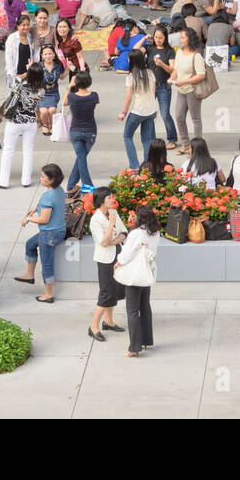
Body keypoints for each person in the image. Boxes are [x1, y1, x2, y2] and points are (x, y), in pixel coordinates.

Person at [16, 164, 67, 303]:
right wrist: (36, 208)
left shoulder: (47, 197)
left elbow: (44, 219)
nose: (40, 179)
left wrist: (28, 219)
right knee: (30, 245)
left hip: (49, 235)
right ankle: (29, 275)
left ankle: (48, 295)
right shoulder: (59, 190)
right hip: (59, 230)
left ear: (51, 180)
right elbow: (51, 206)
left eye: (43, 177)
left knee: (47, 265)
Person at [116, 205, 161, 357]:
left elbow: (126, 254)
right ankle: (146, 341)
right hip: (147, 272)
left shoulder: (136, 234)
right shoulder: (155, 233)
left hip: (135, 274)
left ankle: (134, 347)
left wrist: (118, 263)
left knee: (132, 310)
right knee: (145, 307)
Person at [0, 62, 46, 189]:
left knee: (8, 150)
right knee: (28, 150)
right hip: (31, 122)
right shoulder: (41, 90)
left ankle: (3, 180)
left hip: (15, 121)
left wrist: (25, 73)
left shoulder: (21, 86)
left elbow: (14, 80)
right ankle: (26, 180)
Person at [88, 187, 129, 341]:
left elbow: (124, 233)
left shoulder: (114, 213)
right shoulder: (95, 219)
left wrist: (114, 240)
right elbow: (104, 242)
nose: (113, 200)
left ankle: (108, 322)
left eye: (112, 197)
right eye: (109, 198)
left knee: (116, 291)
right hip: (105, 260)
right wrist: (111, 225)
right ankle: (93, 327)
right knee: (106, 293)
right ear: (101, 200)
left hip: (118, 256)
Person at [170, 29, 209, 155]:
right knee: (179, 117)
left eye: (183, 38)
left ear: (189, 39)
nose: (180, 40)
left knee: (195, 119)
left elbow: (201, 75)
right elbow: (176, 69)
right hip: (181, 90)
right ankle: (186, 144)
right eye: (180, 38)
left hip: (193, 91)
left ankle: (196, 148)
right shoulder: (179, 52)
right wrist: (172, 78)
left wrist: (184, 82)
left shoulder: (196, 56)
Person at [119, 50, 158, 170]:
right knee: (147, 139)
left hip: (137, 111)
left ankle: (134, 165)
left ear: (132, 61)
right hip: (151, 110)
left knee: (127, 136)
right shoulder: (150, 73)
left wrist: (123, 113)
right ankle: (147, 166)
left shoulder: (131, 77)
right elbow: (153, 92)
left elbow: (128, 97)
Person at [64, 72, 100, 193]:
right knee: (81, 157)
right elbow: (93, 108)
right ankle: (88, 185)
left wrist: (69, 86)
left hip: (75, 131)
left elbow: (64, 103)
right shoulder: (94, 96)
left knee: (81, 157)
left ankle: (70, 186)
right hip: (90, 131)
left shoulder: (72, 97)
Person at [146, 24, 180, 145]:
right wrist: (143, 39)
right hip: (150, 85)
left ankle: (172, 139)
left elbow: (172, 69)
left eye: (160, 37)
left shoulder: (170, 51)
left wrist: (161, 64)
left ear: (165, 38)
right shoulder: (150, 48)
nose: (158, 40)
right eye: (156, 37)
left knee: (165, 114)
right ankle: (152, 139)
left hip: (163, 86)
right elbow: (135, 50)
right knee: (149, 113)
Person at [36, 46, 63, 137]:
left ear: (54, 55)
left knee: (52, 110)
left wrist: (68, 68)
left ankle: (52, 125)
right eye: (45, 54)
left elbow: (62, 77)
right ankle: (45, 125)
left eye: (50, 54)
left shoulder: (57, 66)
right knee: (43, 111)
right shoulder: (39, 66)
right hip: (42, 92)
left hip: (53, 92)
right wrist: (29, 71)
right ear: (42, 56)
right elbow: (32, 79)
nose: (48, 56)